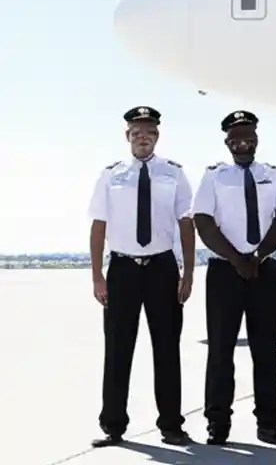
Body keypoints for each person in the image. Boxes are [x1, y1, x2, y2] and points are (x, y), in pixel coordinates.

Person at [88, 106, 195, 448]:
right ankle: (113, 425)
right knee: (118, 350)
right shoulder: (110, 175)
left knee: (167, 349)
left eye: (148, 131)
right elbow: (98, 226)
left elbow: (186, 223)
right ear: (128, 137)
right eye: (136, 132)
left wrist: (188, 272)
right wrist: (97, 277)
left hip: (163, 269)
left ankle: (171, 424)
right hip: (122, 270)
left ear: (157, 136)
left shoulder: (174, 173)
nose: (142, 137)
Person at [191, 109, 276, 445]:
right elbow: (203, 221)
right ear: (227, 141)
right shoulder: (214, 176)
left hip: (264, 270)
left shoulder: (274, 174)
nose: (242, 141)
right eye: (235, 136)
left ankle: (269, 425)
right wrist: (237, 259)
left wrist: (259, 255)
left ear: (256, 138)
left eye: (247, 134)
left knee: (265, 351)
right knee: (221, 351)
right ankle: (217, 425)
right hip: (225, 271)